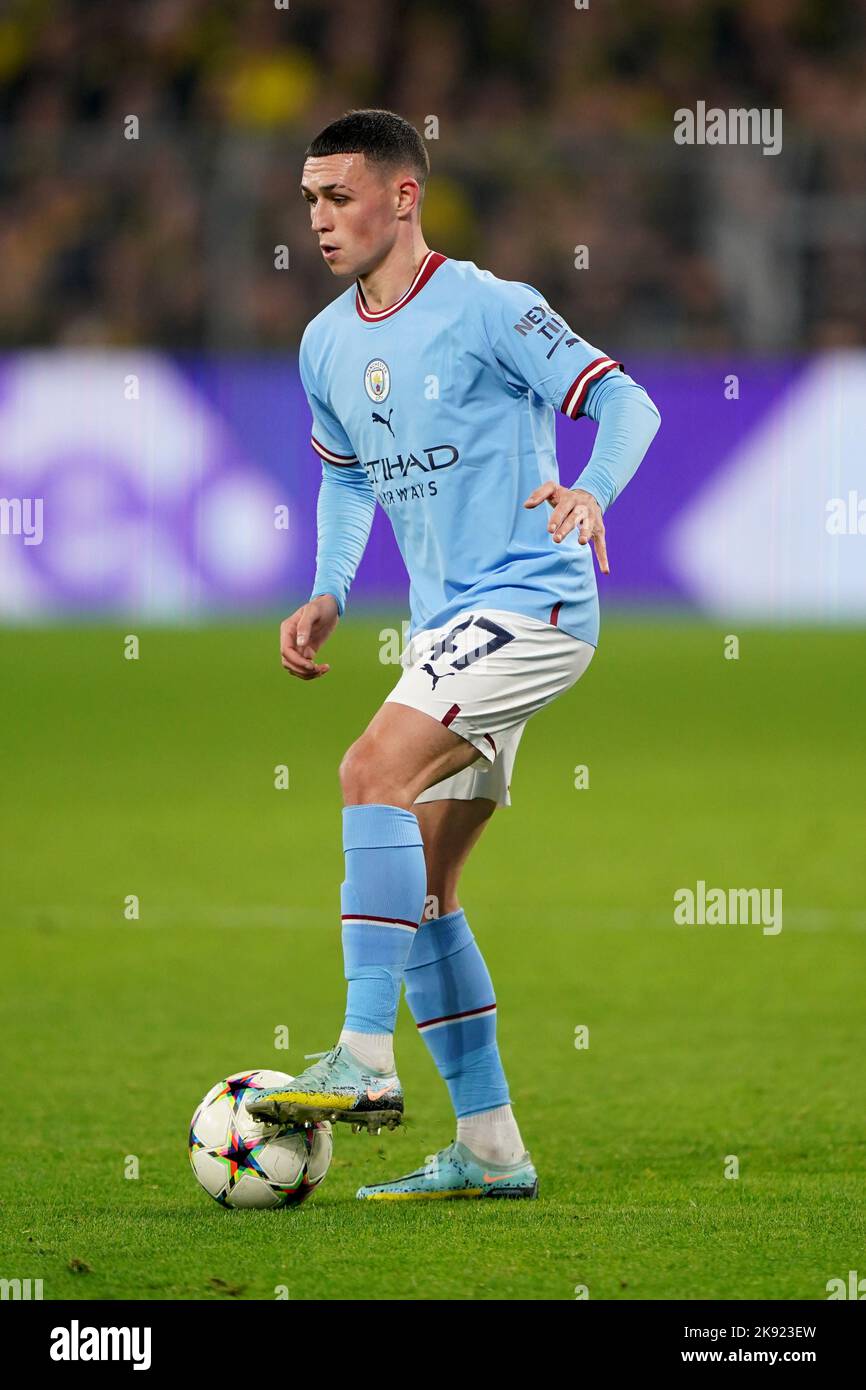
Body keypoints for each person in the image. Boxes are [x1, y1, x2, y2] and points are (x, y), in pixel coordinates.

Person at [248, 109, 660, 1200]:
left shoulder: (489, 308)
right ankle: (490, 1150)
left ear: (403, 196)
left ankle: (363, 1056)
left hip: (530, 607)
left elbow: (626, 401)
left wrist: (588, 490)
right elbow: (344, 475)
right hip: (447, 628)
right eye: (309, 201)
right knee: (424, 890)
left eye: (339, 198)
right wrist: (330, 586)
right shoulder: (326, 341)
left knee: (365, 772)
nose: (320, 220)